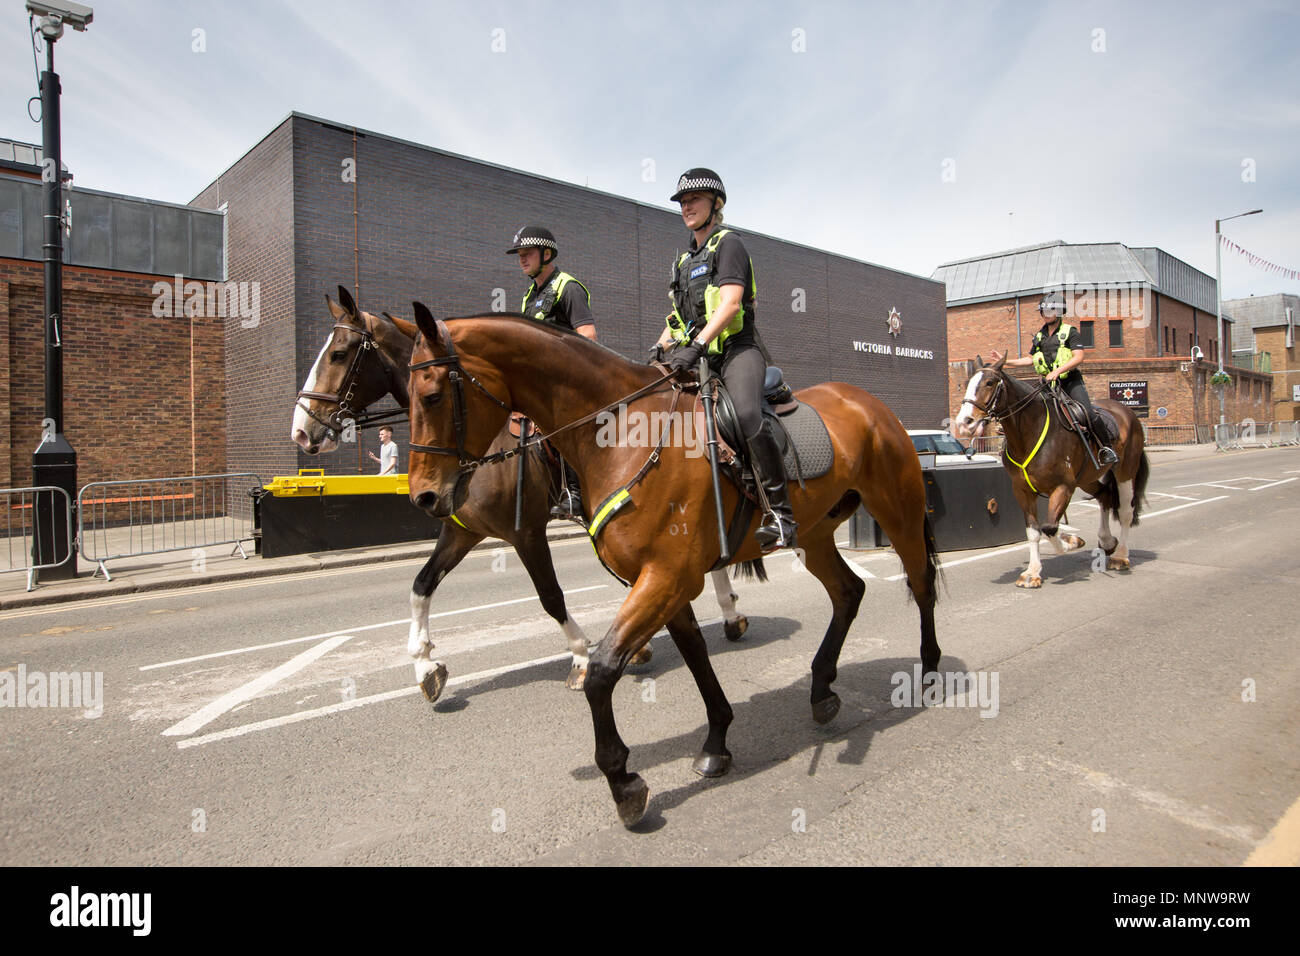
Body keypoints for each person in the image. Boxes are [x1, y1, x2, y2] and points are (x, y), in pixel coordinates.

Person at [651, 168, 796, 550]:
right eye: (682, 202)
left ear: (716, 205)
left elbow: (731, 304)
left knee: (747, 414)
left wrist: (697, 343)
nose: (686, 207)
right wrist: (659, 347)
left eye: (694, 200)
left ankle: (781, 515)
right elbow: (679, 317)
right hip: (702, 356)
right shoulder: (683, 260)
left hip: (738, 352)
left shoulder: (729, 244)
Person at [507, 226, 595, 519]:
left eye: (527, 253)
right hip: (538, 383)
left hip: (568, 381)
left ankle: (576, 492)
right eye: (519, 255)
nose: (521, 259)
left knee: (563, 423)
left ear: (546, 254)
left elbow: (588, 336)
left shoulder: (567, 287)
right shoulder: (530, 296)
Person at [991, 290, 1119, 467]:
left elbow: (1078, 356)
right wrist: (1005, 362)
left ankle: (1106, 448)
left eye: (1049, 311)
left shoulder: (1070, 332)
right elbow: (1030, 359)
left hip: (1070, 382)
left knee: (1087, 413)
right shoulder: (1039, 336)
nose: (1046, 315)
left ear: (1059, 312)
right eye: (1043, 311)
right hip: (1047, 384)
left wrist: (1057, 372)